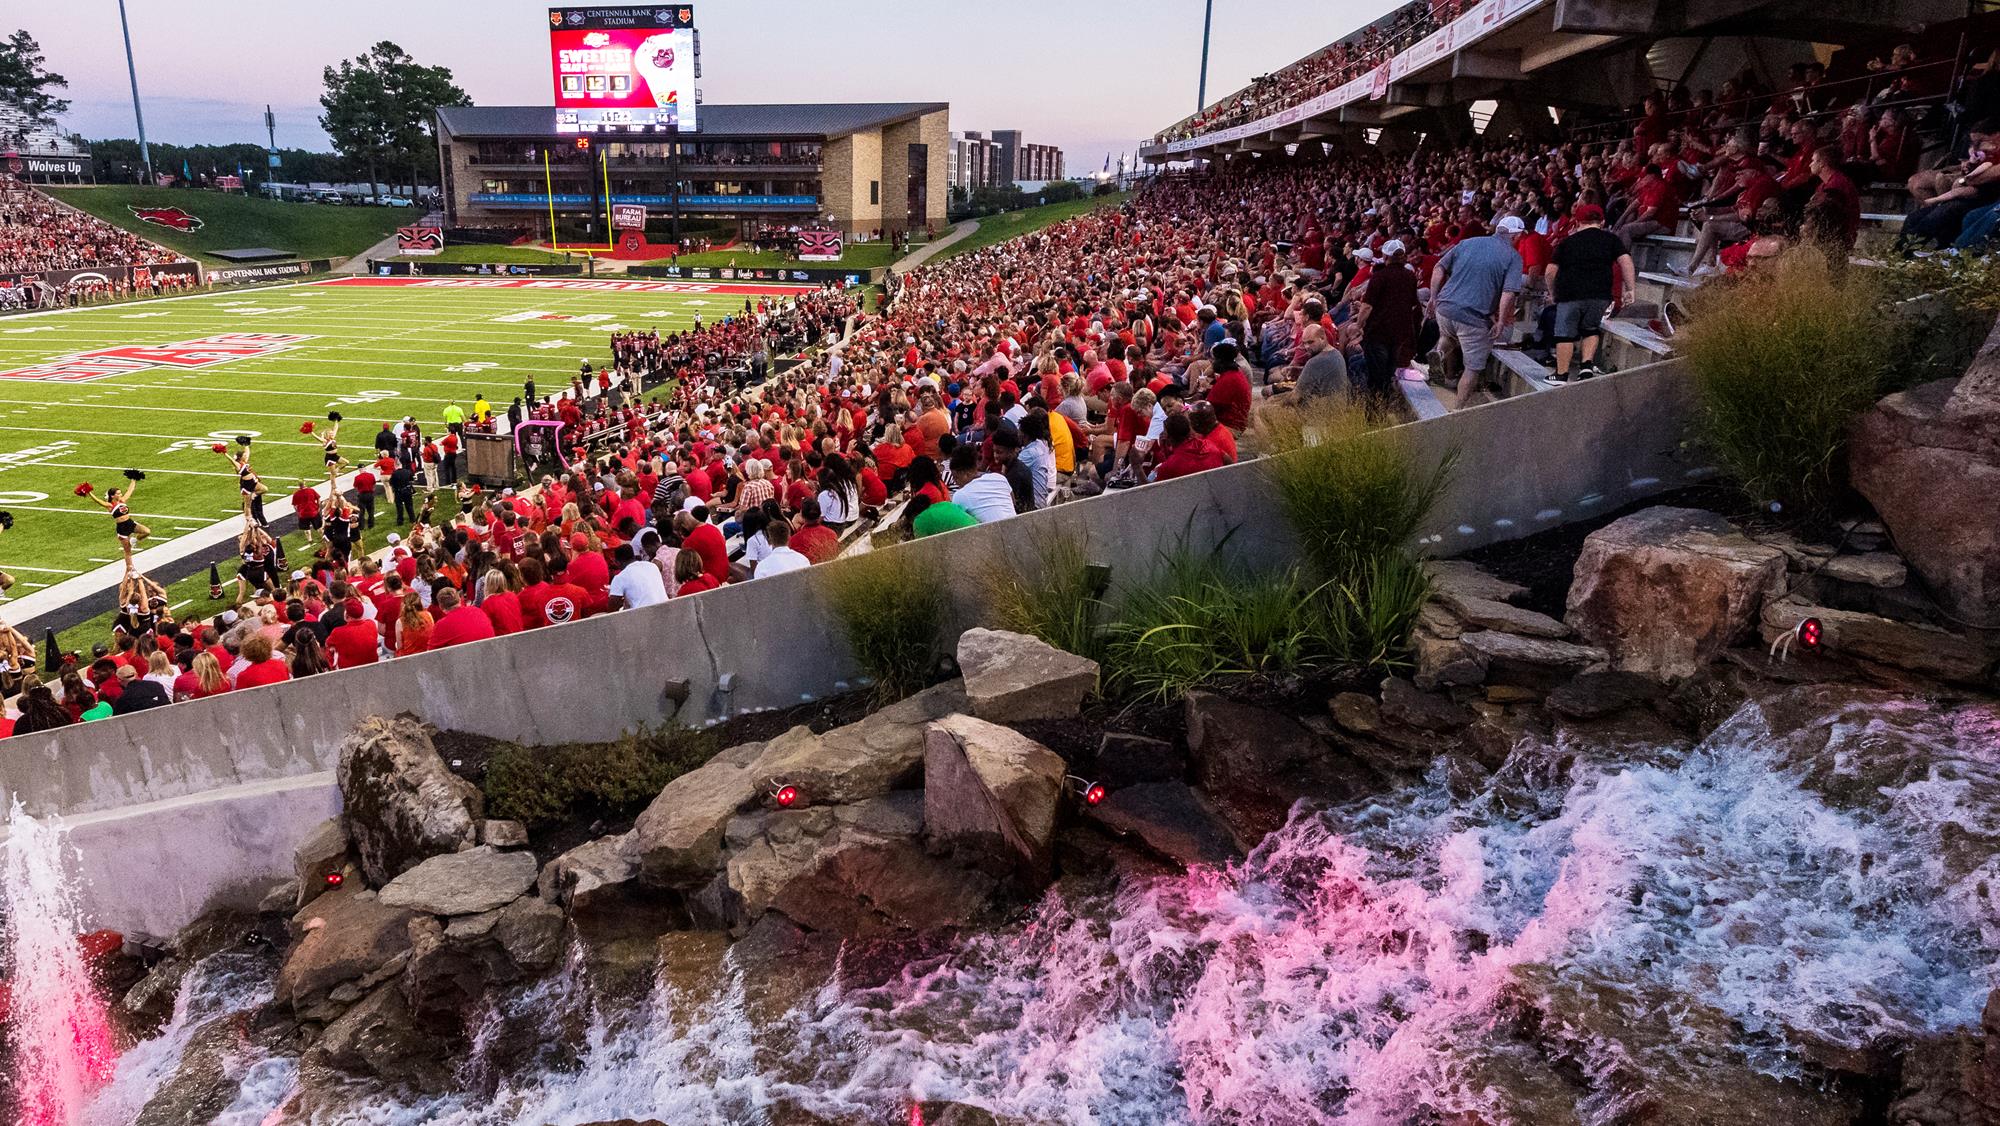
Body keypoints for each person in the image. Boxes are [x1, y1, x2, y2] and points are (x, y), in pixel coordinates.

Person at [1430, 213, 1526, 410]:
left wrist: (1433, 297)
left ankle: (1438, 353)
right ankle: (1457, 409)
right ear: (1516, 237)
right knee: (1473, 367)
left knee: (1448, 335)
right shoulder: (1513, 257)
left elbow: (1438, 268)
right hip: (1473, 317)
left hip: (1445, 308)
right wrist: (1499, 322)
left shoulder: (1467, 243)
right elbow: (1508, 293)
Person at [1544, 203, 1634, 384]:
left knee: (1565, 334)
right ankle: (1586, 366)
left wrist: (1553, 292)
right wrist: (1630, 288)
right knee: (1591, 329)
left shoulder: (1567, 242)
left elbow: (1550, 271)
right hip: (1599, 294)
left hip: (1570, 294)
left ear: (1578, 222)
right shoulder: (1611, 239)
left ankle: (1561, 374)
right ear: (1602, 221)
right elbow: (1625, 261)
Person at [428, 587, 497, 649]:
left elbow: (430, 654)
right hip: (492, 652)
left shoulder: (442, 625)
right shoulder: (477, 610)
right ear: (460, 599)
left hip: (469, 659)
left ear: (440, 606)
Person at [607, 542, 670, 610]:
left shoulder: (620, 577)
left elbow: (612, 607)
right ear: (633, 556)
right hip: (666, 609)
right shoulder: (652, 565)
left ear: (617, 562)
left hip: (644, 615)